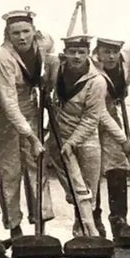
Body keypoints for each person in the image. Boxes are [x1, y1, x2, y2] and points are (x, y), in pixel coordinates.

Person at [0, 8, 53, 234]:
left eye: (26, 31)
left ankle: (40, 221)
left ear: (34, 31)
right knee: (10, 170)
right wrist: (32, 136)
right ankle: (14, 226)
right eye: (16, 33)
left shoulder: (42, 45)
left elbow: (49, 50)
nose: (22, 37)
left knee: (37, 164)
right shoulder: (1, 57)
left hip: (30, 106)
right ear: (8, 35)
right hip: (4, 114)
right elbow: (8, 102)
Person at [47, 33, 108, 237]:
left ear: (88, 54)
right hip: (61, 136)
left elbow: (92, 118)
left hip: (87, 137)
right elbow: (43, 50)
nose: (76, 56)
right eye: (72, 52)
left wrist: (73, 142)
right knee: (75, 185)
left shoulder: (97, 81)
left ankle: (84, 225)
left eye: (81, 52)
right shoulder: (57, 67)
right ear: (65, 53)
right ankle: (86, 228)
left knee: (89, 186)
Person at [91, 35, 130, 235]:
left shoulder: (125, 64)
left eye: (114, 52)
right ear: (97, 52)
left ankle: (119, 218)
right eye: (106, 52)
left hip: (110, 113)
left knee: (117, 163)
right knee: (91, 166)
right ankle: (92, 217)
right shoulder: (90, 67)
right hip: (88, 117)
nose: (110, 56)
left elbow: (123, 90)